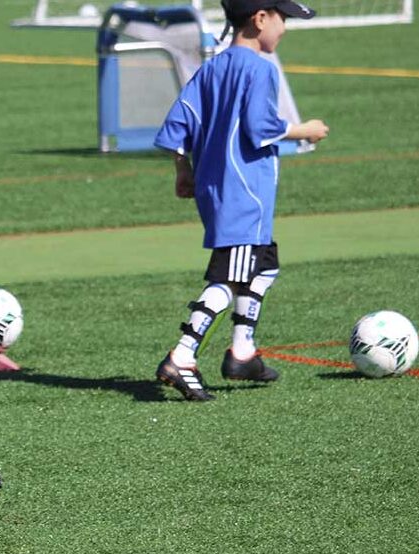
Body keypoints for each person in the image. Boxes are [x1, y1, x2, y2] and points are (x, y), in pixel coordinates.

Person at [152, 0, 330, 401]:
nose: (285, 28)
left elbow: (178, 123)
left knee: (263, 266)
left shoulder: (210, 67)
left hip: (221, 191)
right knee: (228, 278)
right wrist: (306, 129)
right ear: (260, 18)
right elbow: (259, 127)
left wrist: (183, 171)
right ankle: (181, 357)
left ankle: (242, 352)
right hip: (242, 194)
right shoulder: (260, 68)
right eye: (283, 19)